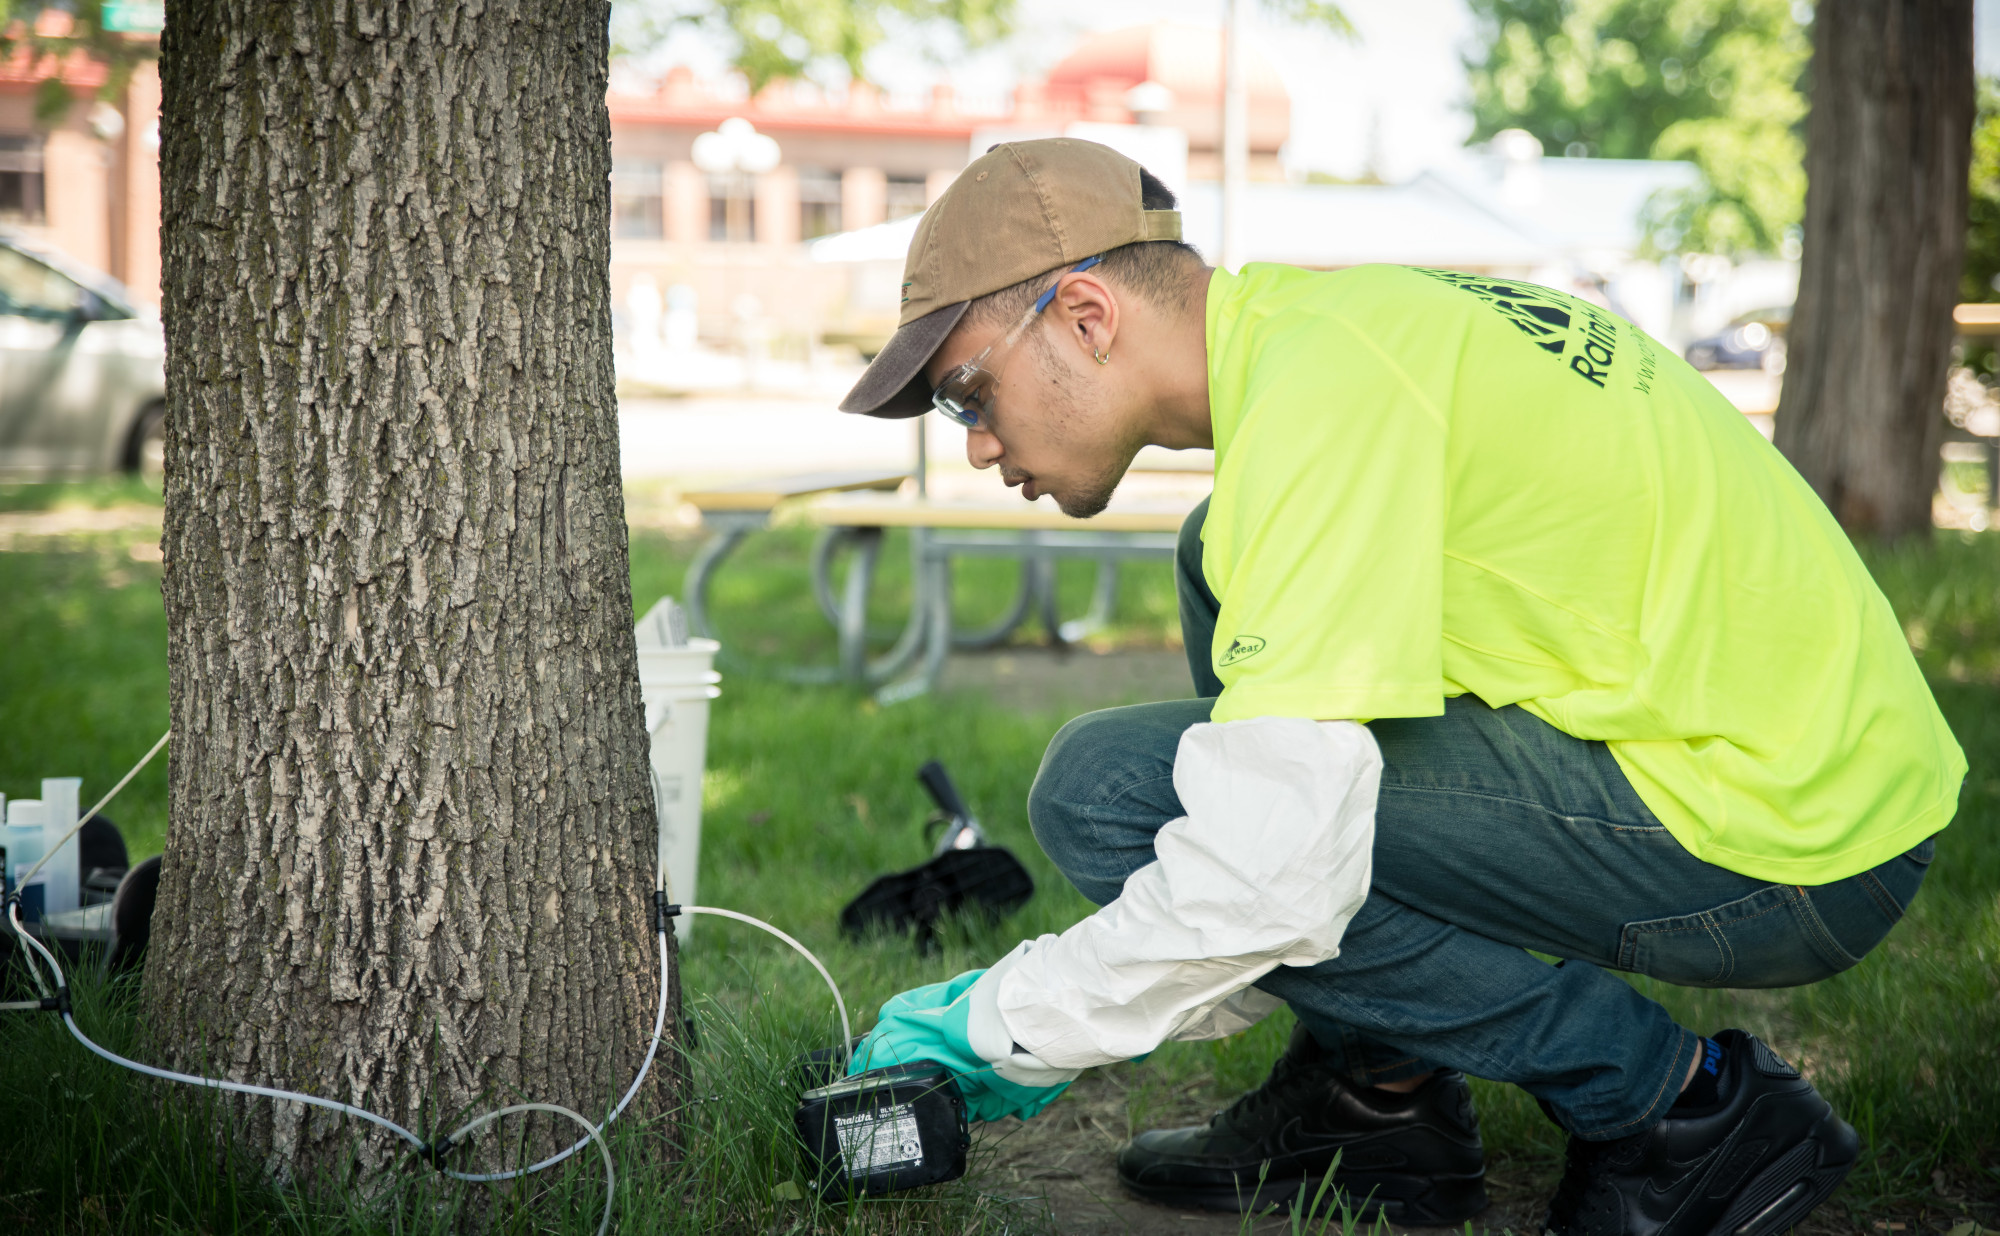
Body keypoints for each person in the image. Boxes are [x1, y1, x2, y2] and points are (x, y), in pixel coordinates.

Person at [836, 139, 1961, 1236]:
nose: (977, 445)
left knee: (1110, 789)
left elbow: (1264, 884)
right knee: (1215, 553)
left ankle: (1678, 1105)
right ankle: (1375, 1096)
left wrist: (993, 1028)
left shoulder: (1324, 401)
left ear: (1087, 318)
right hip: (1801, 762)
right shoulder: (1325, 337)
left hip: (1790, 839)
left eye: (967, 395)